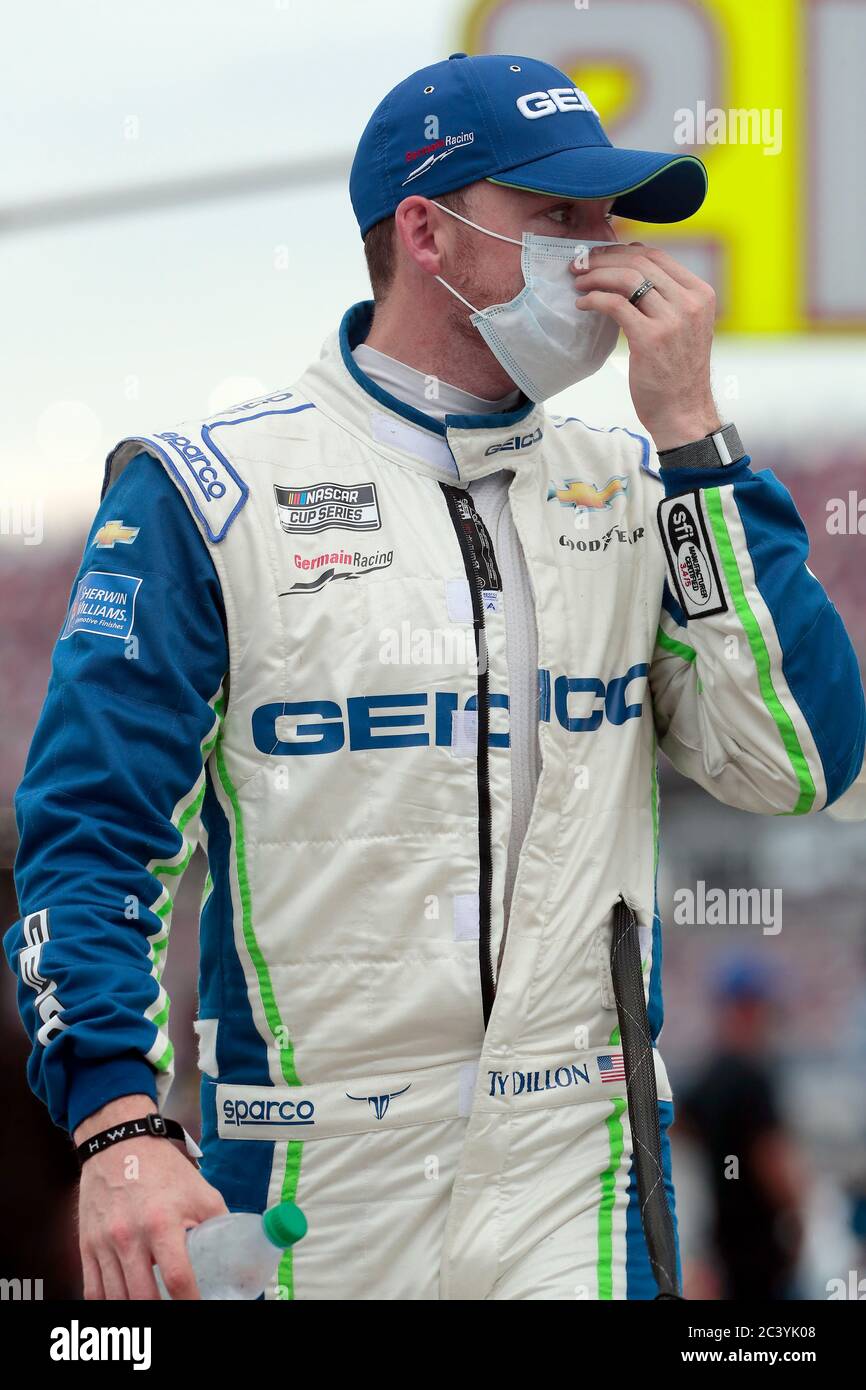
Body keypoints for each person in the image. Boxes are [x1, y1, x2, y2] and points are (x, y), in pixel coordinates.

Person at [5, 52, 866, 1302]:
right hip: (309, 1183)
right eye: (559, 217)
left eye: (609, 218)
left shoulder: (637, 489)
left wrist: (697, 447)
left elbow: (801, 760)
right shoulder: (207, 495)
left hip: (582, 1174)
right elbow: (92, 839)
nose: (607, 256)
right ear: (429, 232)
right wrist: (117, 1122)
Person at [679, 959, 803, 1300]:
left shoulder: (705, 1078)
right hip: (762, 1249)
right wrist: (798, 1217)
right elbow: (771, 1159)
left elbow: (675, 1132)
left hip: (719, 1244)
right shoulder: (753, 1077)